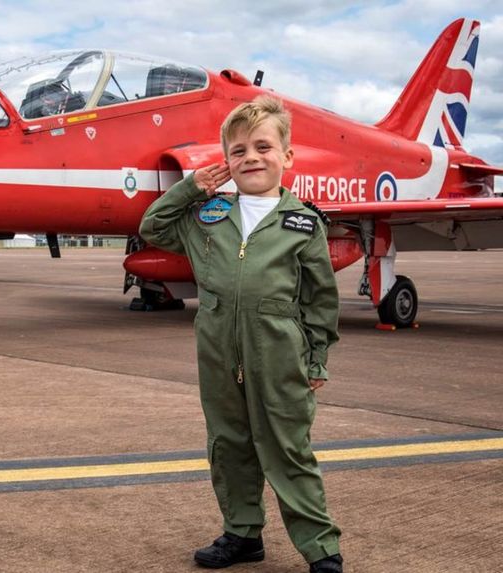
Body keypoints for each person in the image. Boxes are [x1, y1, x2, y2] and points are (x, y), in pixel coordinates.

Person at [139, 96, 343, 573]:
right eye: (237, 151)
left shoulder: (303, 223)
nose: (250, 157)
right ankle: (242, 533)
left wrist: (316, 361)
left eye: (263, 146)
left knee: (287, 449)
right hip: (217, 356)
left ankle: (320, 548)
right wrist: (191, 188)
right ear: (226, 161)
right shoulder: (207, 217)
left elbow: (320, 300)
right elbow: (153, 226)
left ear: (287, 156)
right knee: (228, 446)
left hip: (278, 357)